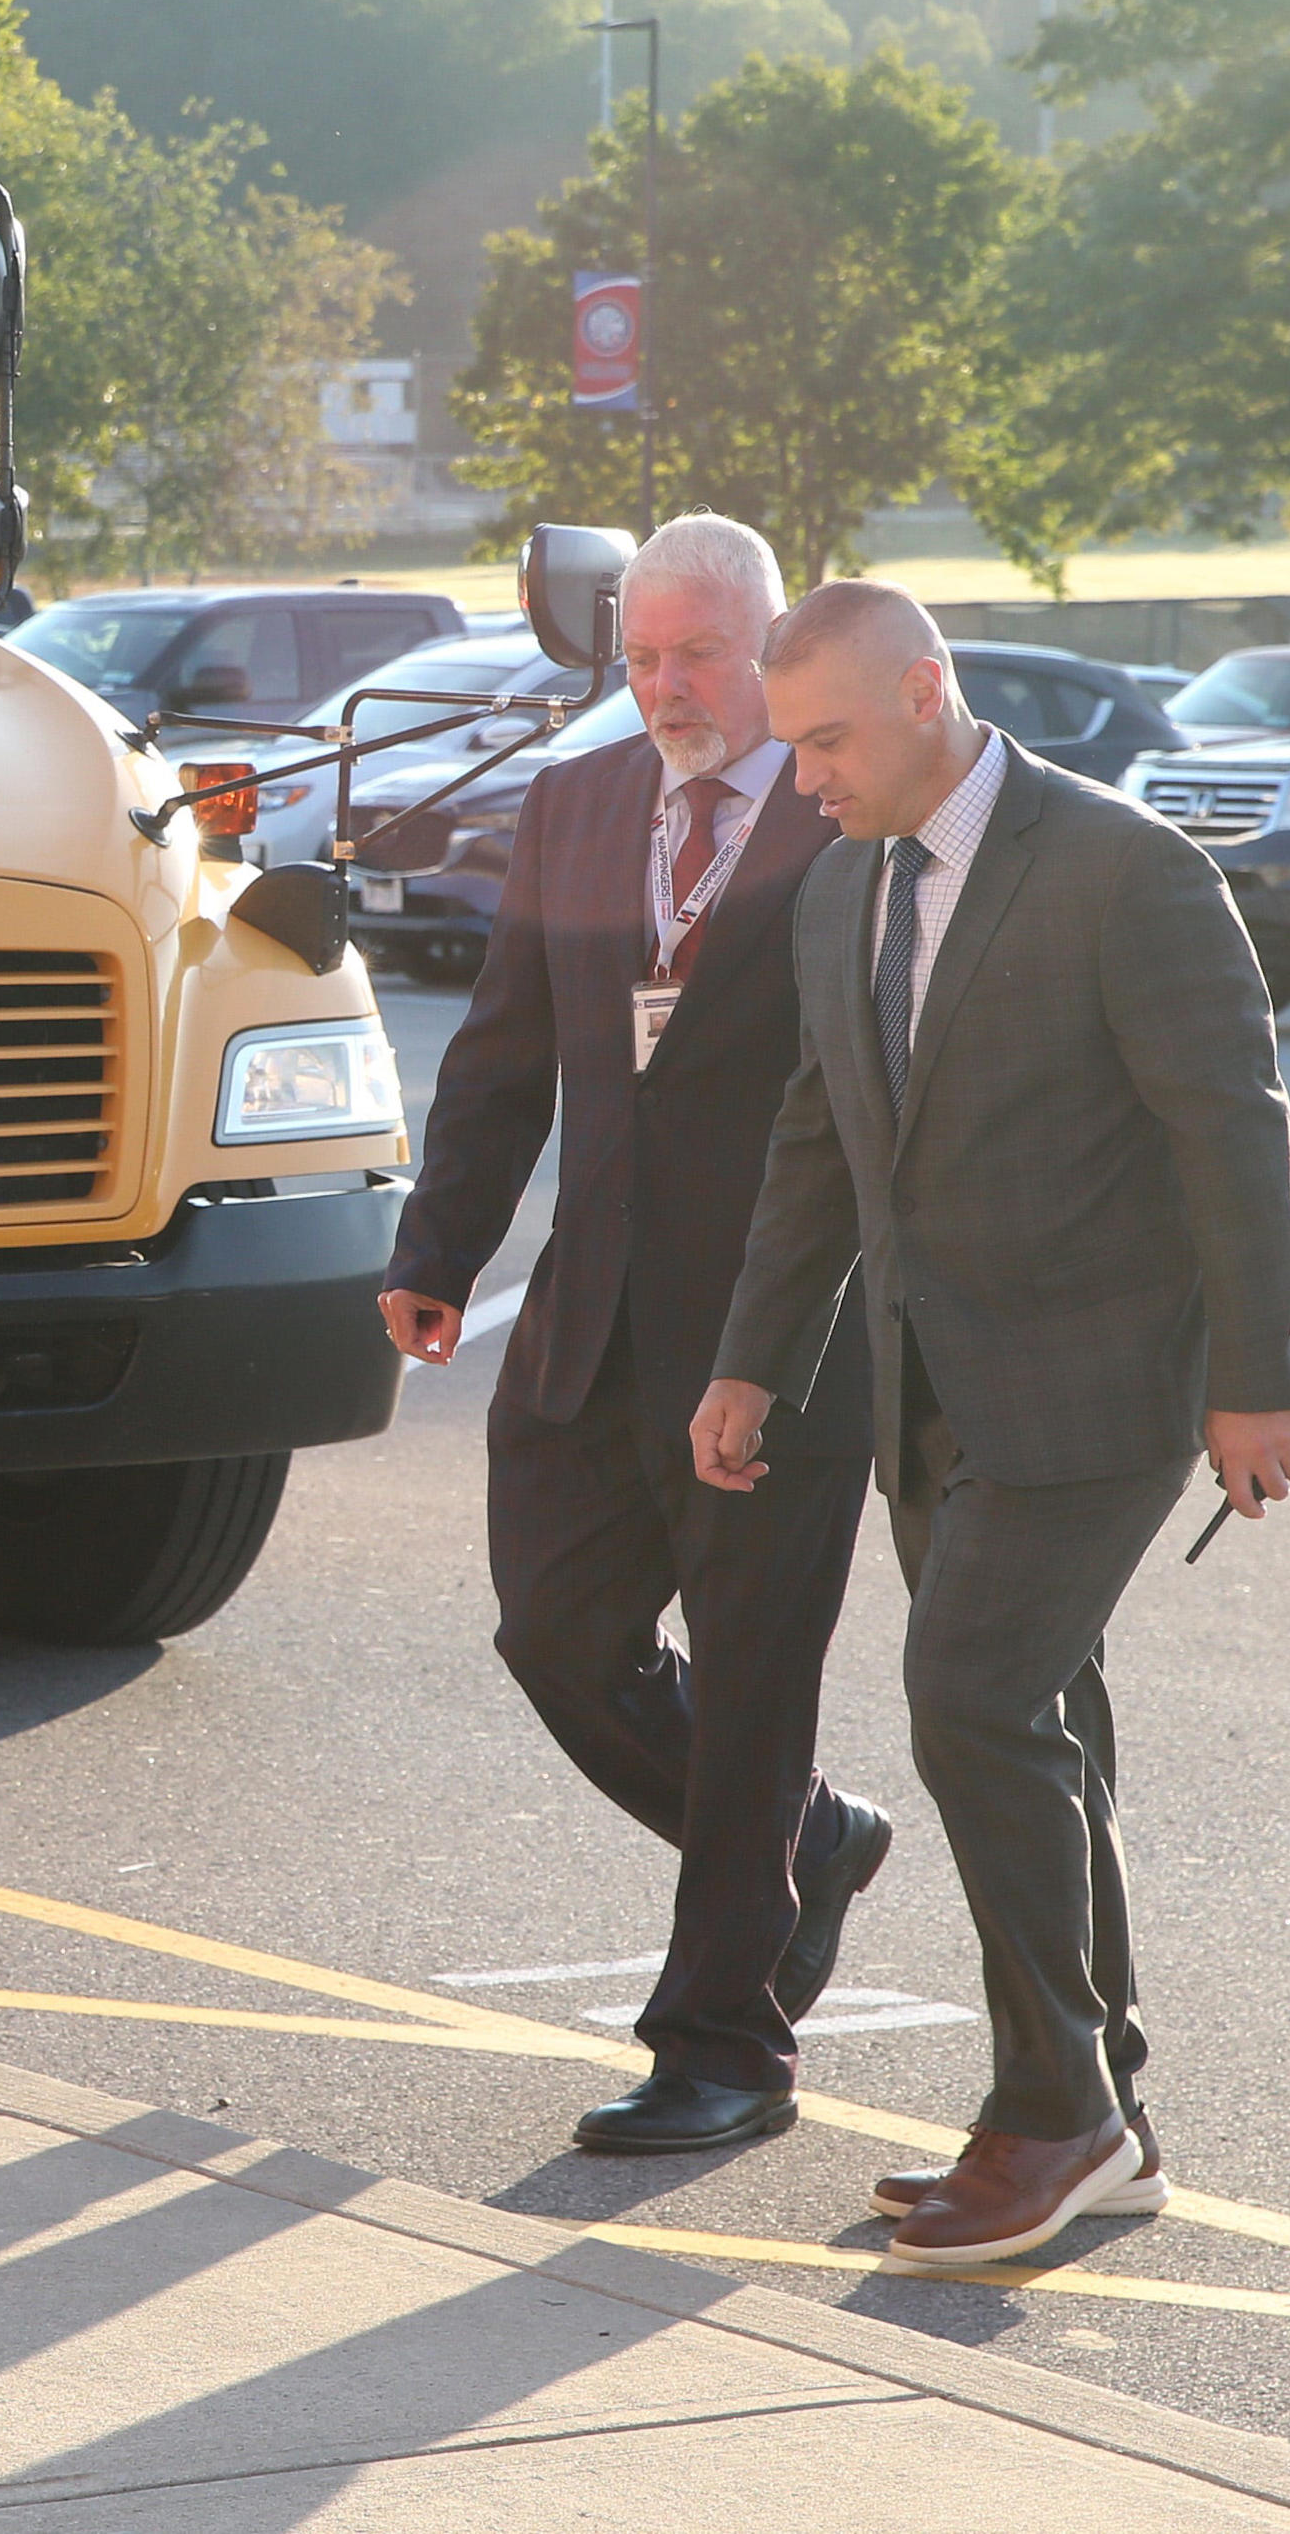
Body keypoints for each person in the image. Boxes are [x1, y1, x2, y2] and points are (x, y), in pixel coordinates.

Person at [693, 580, 1290, 2267]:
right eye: (788, 749)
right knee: (1041, 1718)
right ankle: (1102, 2101)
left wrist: (1260, 1372)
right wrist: (751, 1362)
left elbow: (1230, 1128)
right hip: (930, 1393)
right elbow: (817, 1147)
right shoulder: (838, 890)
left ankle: (1053, 2113)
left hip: (1108, 1382)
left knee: (969, 1699)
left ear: (923, 693)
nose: (804, 779)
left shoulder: (1122, 867)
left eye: (824, 741)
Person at [381, 513, 893, 2156]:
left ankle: (722, 2049)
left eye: (700, 653)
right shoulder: (578, 801)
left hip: (780, 1330)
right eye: (643, 656)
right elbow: (504, 1046)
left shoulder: (848, 828)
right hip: (585, 1323)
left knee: (750, 1690)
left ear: (772, 650)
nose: (667, 686)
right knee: (554, 1634)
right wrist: (440, 1245)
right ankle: (803, 1845)